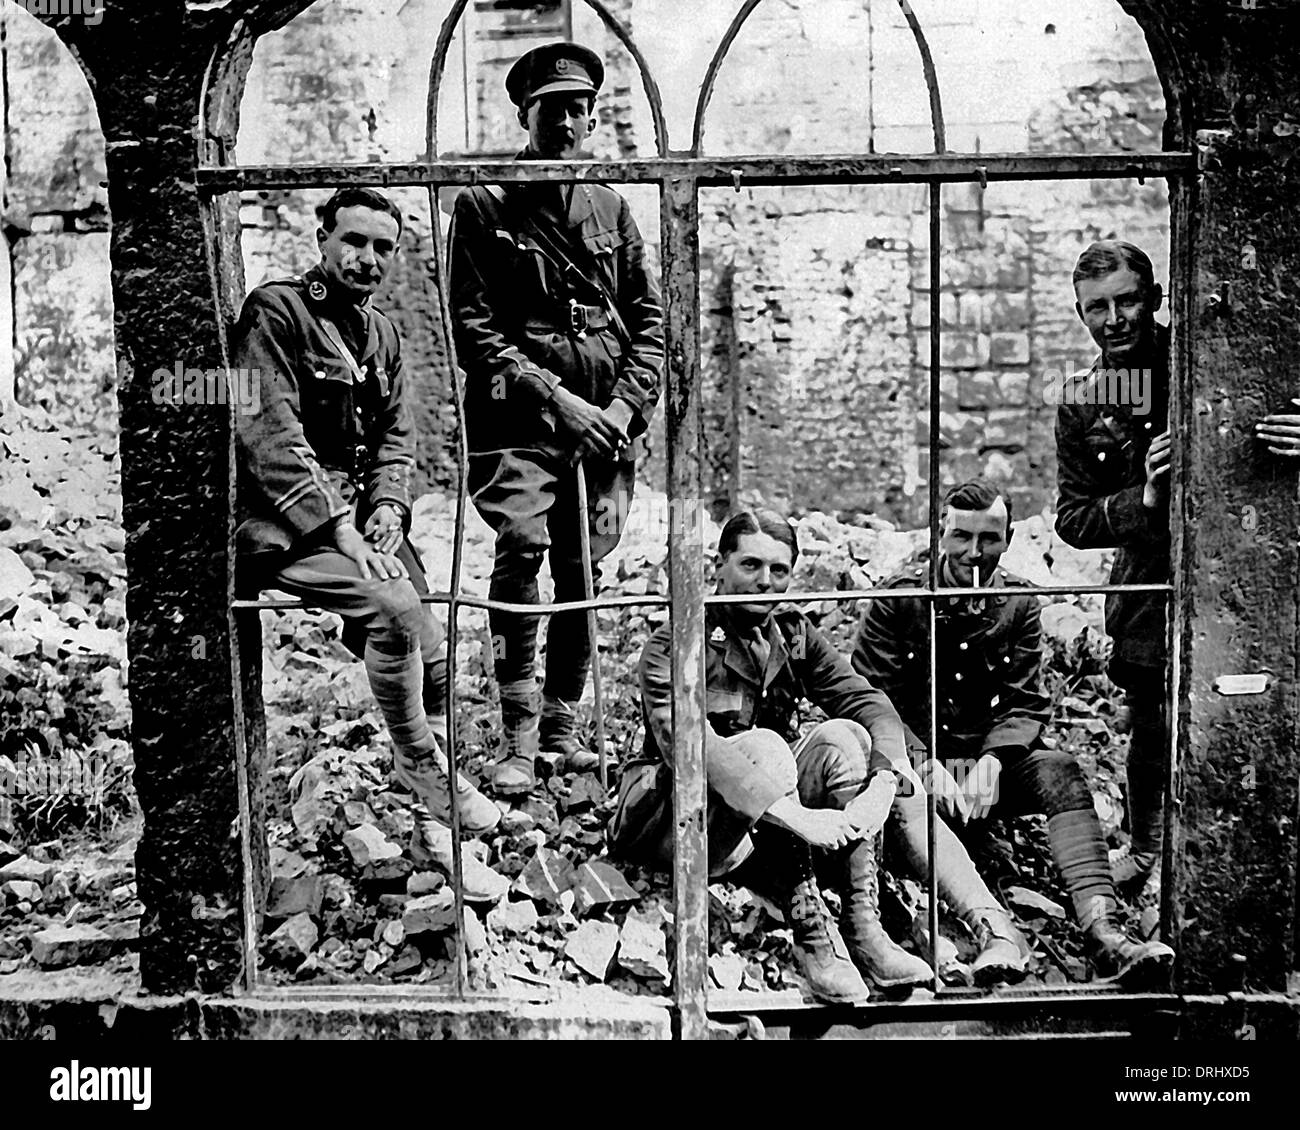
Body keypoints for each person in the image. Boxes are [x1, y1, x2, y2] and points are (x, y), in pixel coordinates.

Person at [610, 509, 1031, 1003]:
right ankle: (812, 931)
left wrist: (882, 780)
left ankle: (863, 927)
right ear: (718, 565)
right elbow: (691, 746)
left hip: (767, 822)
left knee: (846, 737)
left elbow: (869, 702)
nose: (765, 583)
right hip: (679, 824)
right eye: (750, 566)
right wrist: (798, 818)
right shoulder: (678, 641)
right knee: (768, 748)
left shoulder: (791, 634)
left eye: (779, 571)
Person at [234, 186, 505, 899]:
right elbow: (269, 433)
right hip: (289, 526)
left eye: (383, 247)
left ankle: (433, 829)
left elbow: (396, 436)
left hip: (361, 526)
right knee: (393, 609)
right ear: (322, 238)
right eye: (354, 241)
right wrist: (342, 524)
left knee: (439, 654)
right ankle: (421, 764)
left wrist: (388, 506)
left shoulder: (381, 333)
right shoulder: (276, 312)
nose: (368, 259)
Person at [852, 480, 1174, 985]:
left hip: (981, 774)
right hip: (915, 772)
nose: (974, 553)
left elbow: (1026, 701)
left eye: (990, 539)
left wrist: (991, 764)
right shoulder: (899, 599)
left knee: (1061, 771)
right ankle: (979, 931)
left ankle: (1105, 933)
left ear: (1010, 538)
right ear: (939, 533)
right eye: (961, 537)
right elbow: (871, 701)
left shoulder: (1017, 603)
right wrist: (922, 761)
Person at [448, 41, 664, 796]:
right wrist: (558, 398)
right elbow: (474, 328)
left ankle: (563, 727)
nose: (568, 124)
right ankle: (516, 732)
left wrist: (623, 408)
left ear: (594, 119)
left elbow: (650, 323)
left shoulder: (612, 206)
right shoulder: (482, 205)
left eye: (580, 110)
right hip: (521, 426)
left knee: (583, 570)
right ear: (524, 115)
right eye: (553, 111)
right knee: (522, 545)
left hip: (605, 431)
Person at [1053, 239, 1170, 900]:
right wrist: (1142, 500)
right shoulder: (1082, 400)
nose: (1115, 318)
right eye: (1097, 308)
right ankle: (1148, 852)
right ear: (1081, 315)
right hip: (1148, 587)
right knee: (1150, 722)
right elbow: (1071, 518)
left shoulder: (1204, 360)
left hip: (1226, 577)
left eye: (1127, 300)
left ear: (1152, 299)